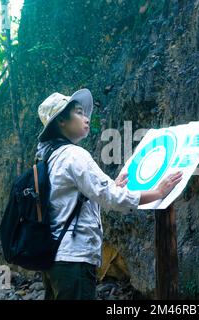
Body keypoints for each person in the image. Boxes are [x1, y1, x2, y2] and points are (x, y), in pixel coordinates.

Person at [35, 89, 183, 300]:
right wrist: (157, 192)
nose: (86, 118)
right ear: (61, 121)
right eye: (78, 112)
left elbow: (72, 200)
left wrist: (111, 186)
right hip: (73, 259)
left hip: (53, 258)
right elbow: (111, 198)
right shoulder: (74, 155)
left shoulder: (47, 158)